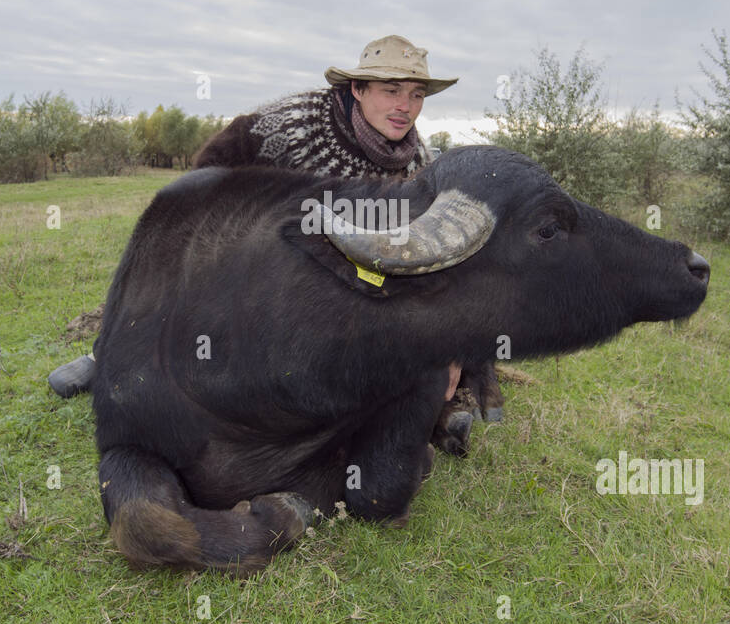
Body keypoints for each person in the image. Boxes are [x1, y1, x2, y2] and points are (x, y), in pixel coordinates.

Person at [48, 35, 500, 451]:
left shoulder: (418, 164)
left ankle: (435, 399)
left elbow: (425, 254)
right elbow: (207, 173)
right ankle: (108, 354)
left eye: (416, 94)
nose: (405, 105)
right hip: (262, 263)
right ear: (357, 90)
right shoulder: (293, 123)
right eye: (391, 90)